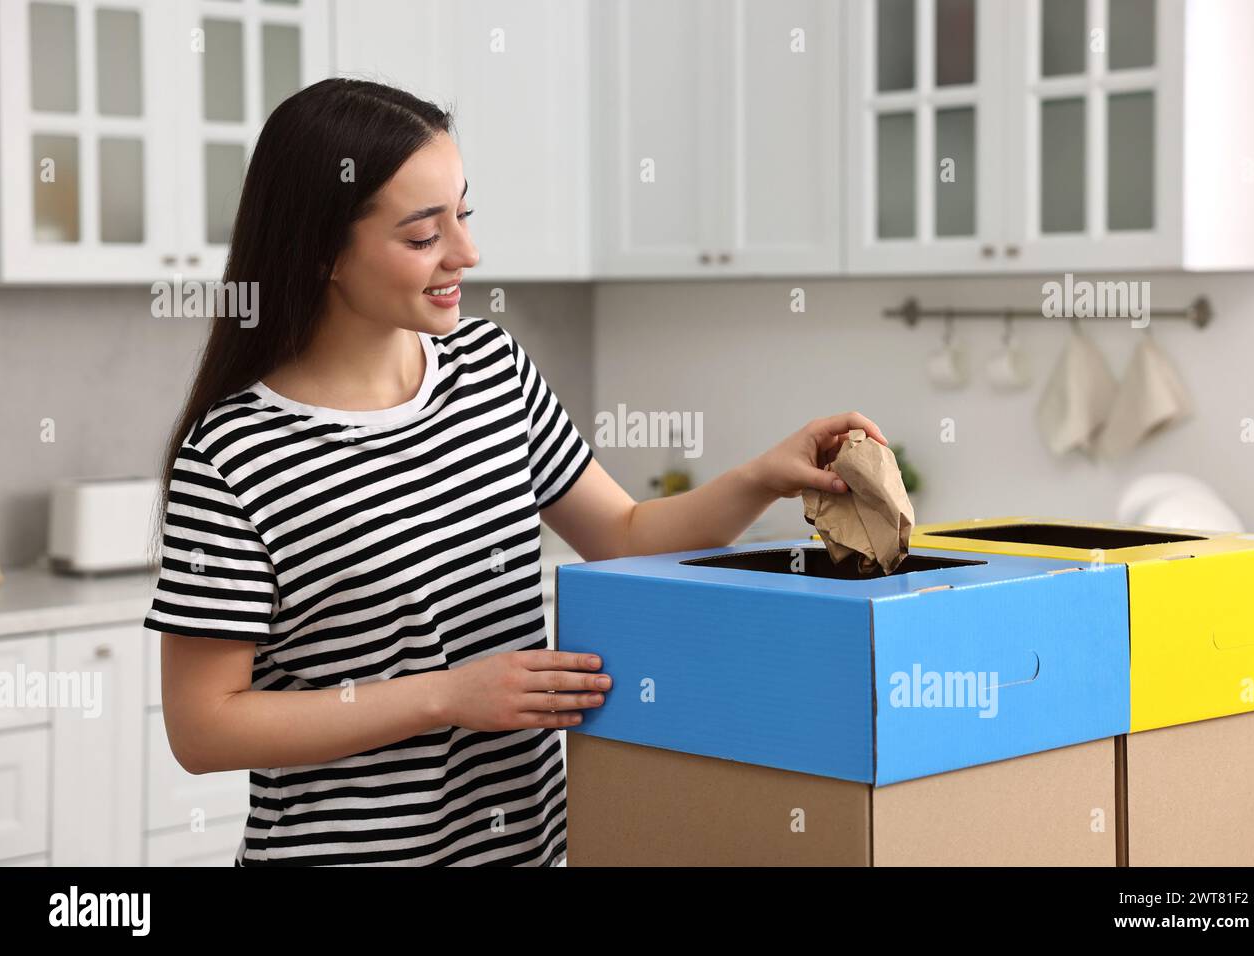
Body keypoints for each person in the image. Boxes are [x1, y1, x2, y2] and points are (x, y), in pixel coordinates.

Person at [144, 78, 888, 866]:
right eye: (422, 235)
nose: (467, 253)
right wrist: (446, 696)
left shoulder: (492, 369)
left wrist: (765, 476)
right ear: (323, 250)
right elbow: (205, 727)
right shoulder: (235, 455)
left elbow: (625, 535)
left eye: (463, 214)